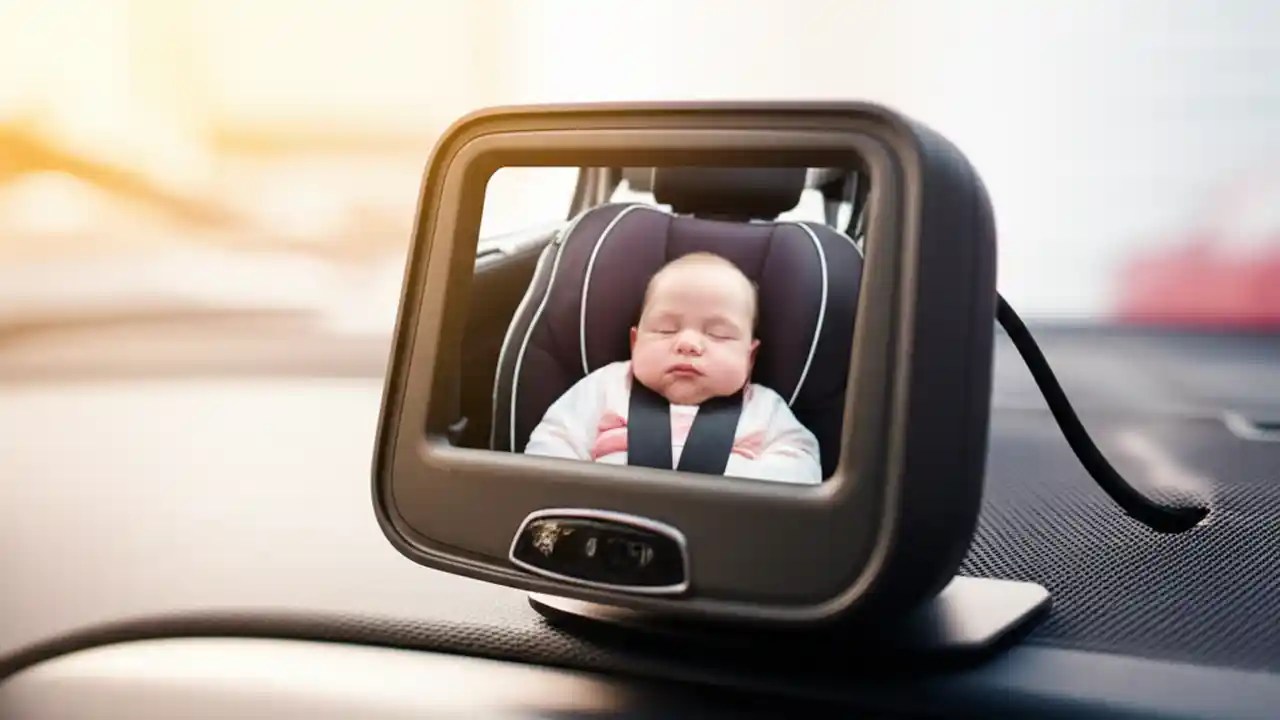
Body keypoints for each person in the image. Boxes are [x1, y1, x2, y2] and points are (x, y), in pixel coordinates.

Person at [523, 251, 823, 485]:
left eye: (718, 334)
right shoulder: (606, 386)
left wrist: (739, 484)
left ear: (750, 356)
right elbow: (553, 443)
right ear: (635, 342)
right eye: (666, 329)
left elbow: (802, 465)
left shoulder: (763, 407)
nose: (688, 343)